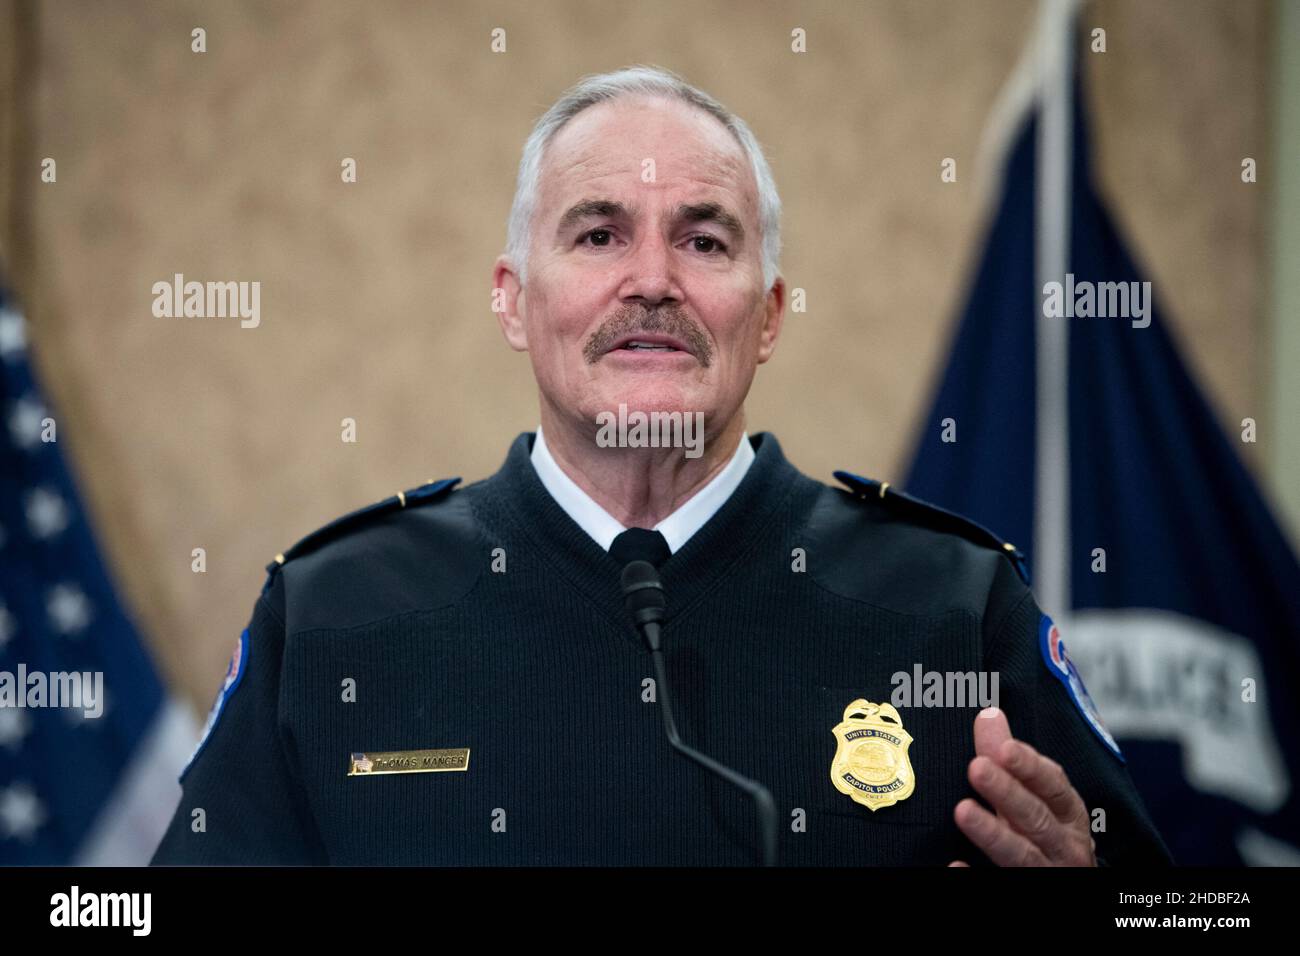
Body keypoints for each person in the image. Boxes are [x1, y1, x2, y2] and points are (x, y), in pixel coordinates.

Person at [151, 65, 1171, 866]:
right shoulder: (335, 614)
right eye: (598, 234)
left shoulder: (950, 603)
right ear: (513, 300)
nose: (652, 281)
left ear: (766, 314)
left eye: (704, 241)